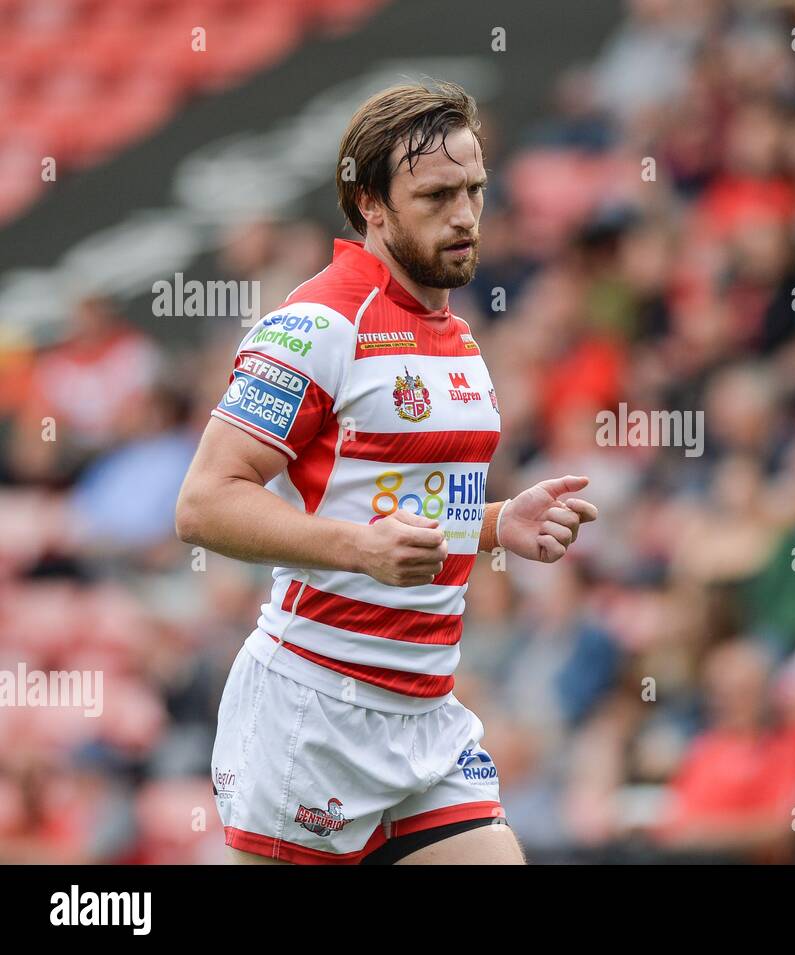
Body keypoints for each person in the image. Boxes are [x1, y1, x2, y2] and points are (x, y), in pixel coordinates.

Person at [174, 81, 597, 865]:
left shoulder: (458, 336)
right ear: (371, 203)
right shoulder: (317, 323)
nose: (465, 214)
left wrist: (499, 523)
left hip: (424, 714)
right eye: (435, 195)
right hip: (314, 711)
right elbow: (202, 504)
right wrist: (358, 549)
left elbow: (396, 501)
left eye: (474, 189)